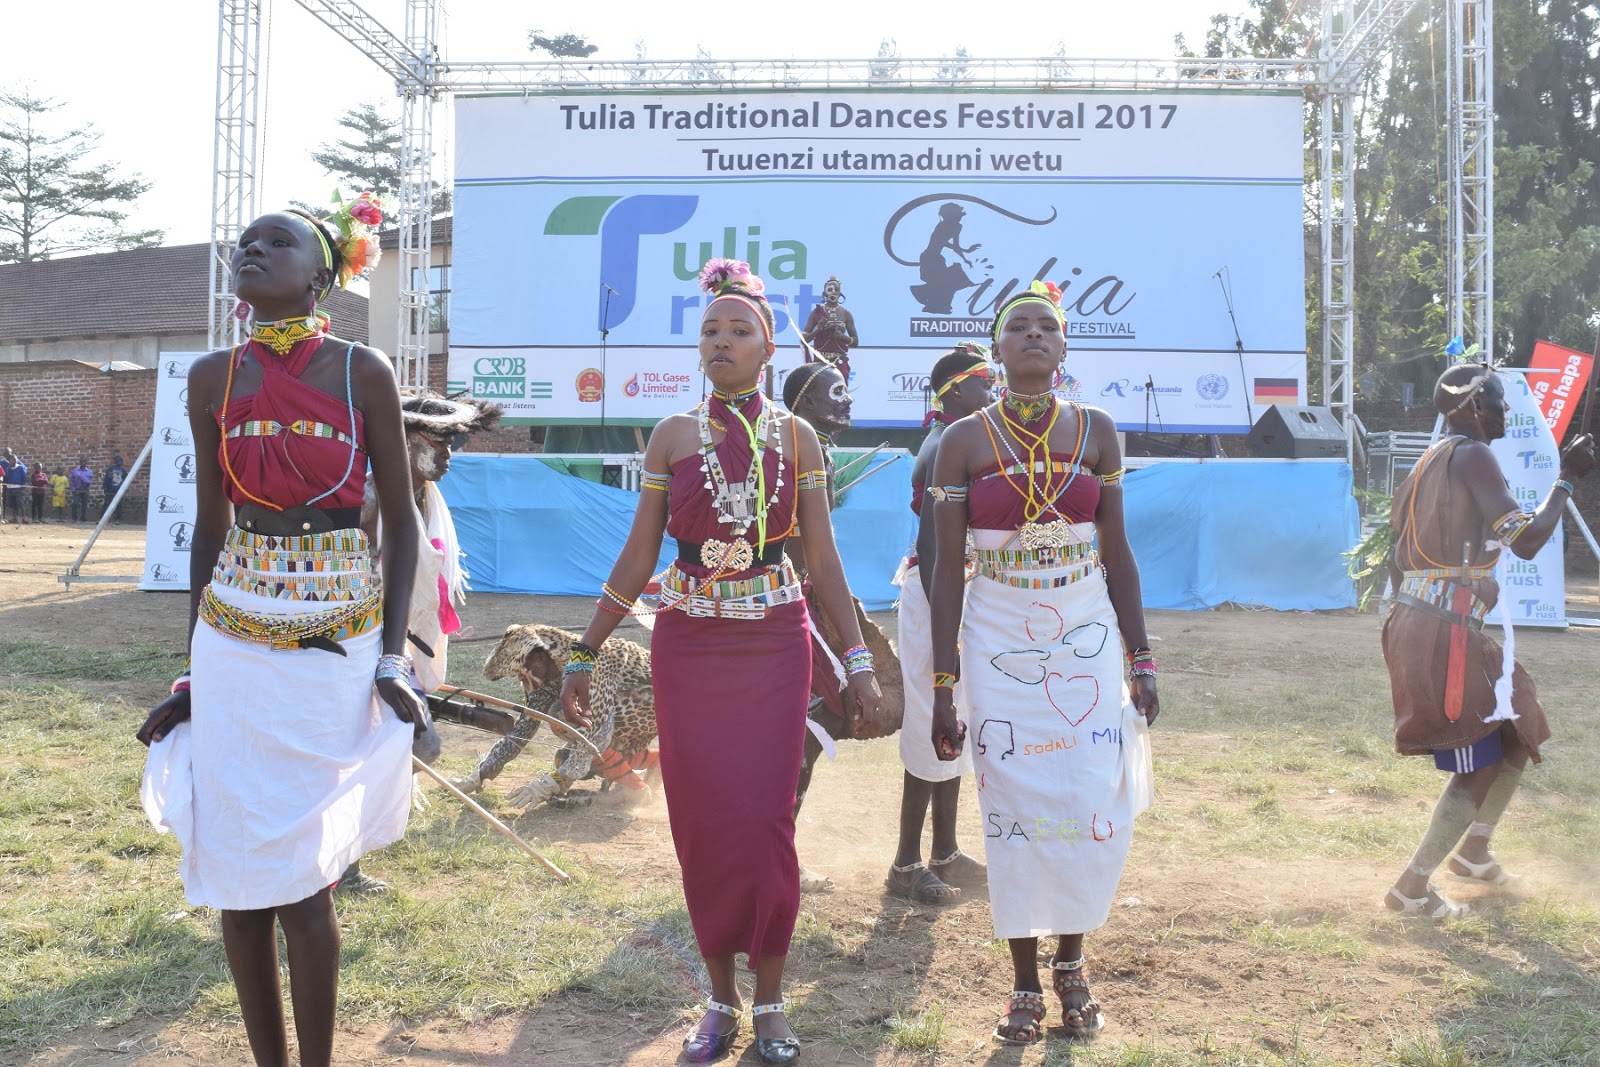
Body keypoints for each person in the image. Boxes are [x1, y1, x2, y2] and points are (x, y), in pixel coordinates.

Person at [560, 258, 881, 1065]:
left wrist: (856, 660)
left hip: (775, 642)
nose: (722, 341)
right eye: (710, 330)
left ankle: (770, 1000)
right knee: (701, 824)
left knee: (767, 819)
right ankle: (718, 1001)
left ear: (769, 347)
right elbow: (638, 557)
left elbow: (825, 562)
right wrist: (586, 646)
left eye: (740, 330)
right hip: (690, 645)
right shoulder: (671, 435)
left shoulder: (798, 436)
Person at [136, 195, 427, 1067]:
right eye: (246, 242)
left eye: (278, 241)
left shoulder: (360, 368)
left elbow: (402, 522)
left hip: (334, 643)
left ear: (324, 272)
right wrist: (190, 675)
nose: (251, 249)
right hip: (232, 639)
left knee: (305, 880)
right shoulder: (209, 378)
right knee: (237, 873)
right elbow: (210, 527)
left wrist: (389, 656)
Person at [927, 281, 1157, 1043]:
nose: (1032, 336)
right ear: (996, 350)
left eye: (1045, 327)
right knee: (1014, 806)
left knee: (1089, 793)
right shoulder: (962, 440)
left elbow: (1117, 549)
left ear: (1064, 348)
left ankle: (1073, 959)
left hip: (1085, 625)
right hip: (997, 635)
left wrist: (1142, 655)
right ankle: (1025, 980)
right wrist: (942, 684)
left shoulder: (1097, 430)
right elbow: (945, 568)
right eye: (1016, 327)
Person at [1382, 363, 1594, 919]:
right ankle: (1412, 888)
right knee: (1478, 758)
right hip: (1441, 628)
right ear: (1474, 407)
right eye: (1499, 403)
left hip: (1427, 621)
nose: (1505, 413)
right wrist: (1566, 477)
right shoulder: (1473, 455)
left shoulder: (1425, 464)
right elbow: (1525, 540)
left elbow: (1393, 557)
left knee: (1520, 727)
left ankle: (1474, 850)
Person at [338, 388, 499, 896]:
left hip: (396, 648)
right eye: (438, 442)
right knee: (406, 745)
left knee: (403, 747)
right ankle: (337, 863)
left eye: (453, 443)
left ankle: (341, 862)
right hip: (357, 648)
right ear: (402, 441)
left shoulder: (427, 496)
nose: (448, 456)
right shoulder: (368, 497)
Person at [886, 343, 996, 904]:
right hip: (936, 604)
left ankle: (946, 853)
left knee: (956, 728)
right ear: (953, 388)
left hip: (953, 599)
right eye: (985, 381)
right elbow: (933, 554)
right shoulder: (937, 448)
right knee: (932, 723)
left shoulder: (957, 442)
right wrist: (945, 637)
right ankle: (906, 865)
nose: (995, 389)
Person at [800, 276, 859, 383]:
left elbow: (855, 342)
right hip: (820, 362)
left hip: (839, 362)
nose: (833, 292)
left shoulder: (846, 314)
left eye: (836, 289)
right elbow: (803, 338)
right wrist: (818, 329)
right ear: (825, 293)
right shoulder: (816, 312)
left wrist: (842, 337)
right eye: (830, 289)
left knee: (839, 394)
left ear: (840, 293)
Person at [5, 453, 30, 524]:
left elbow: (24, 478)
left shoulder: (20, 468)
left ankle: (24, 517)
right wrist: (9, 470)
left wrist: (23, 485)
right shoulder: (8, 468)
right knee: (12, 504)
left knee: (20, 503)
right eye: (11, 460)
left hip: (18, 488)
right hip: (10, 488)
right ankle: (14, 517)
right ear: (9, 461)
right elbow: (7, 477)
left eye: (14, 460)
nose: (13, 462)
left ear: (16, 461)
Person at [102, 454, 127, 522]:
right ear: (116, 461)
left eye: (121, 461)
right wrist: (105, 488)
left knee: (119, 506)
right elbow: (106, 479)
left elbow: (125, 481)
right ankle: (102, 519)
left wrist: (124, 490)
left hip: (119, 491)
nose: (121, 462)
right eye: (119, 461)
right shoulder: (110, 470)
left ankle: (117, 519)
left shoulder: (123, 471)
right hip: (110, 490)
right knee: (106, 504)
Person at [69, 458, 94, 523]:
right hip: (77, 489)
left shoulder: (89, 472)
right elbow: (71, 480)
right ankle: (74, 518)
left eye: (84, 461)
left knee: (84, 504)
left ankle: (83, 518)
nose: (83, 463)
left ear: (86, 462)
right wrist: (73, 489)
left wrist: (81, 476)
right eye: (81, 461)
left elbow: (89, 482)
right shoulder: (75, 471)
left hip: (85, 489)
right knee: (75, 503)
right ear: (79, 462)